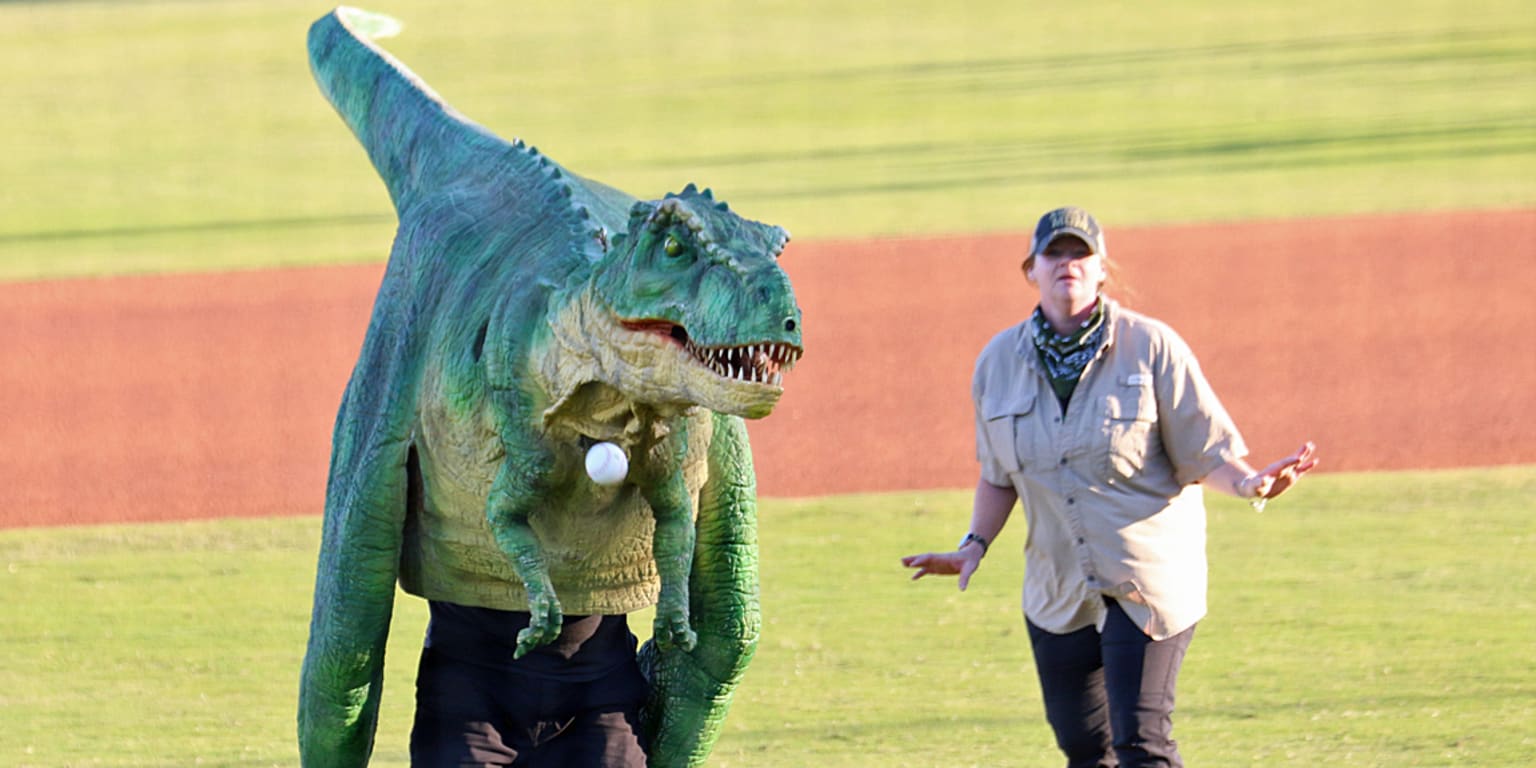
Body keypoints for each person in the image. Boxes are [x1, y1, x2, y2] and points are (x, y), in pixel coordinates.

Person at [900, 206, 1318, 768]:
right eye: (1055, 254)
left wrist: (1252, 485)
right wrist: (973, 544)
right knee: (1082, 749)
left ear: (1102, 270)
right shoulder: (998, 362)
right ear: (1032, 270)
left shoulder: (1151, 347)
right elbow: (999, 475)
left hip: (1145, 580)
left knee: (1141, 746)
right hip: (1058, 589)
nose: (1067, 264)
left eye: (1081, 254)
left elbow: (1208, 453)